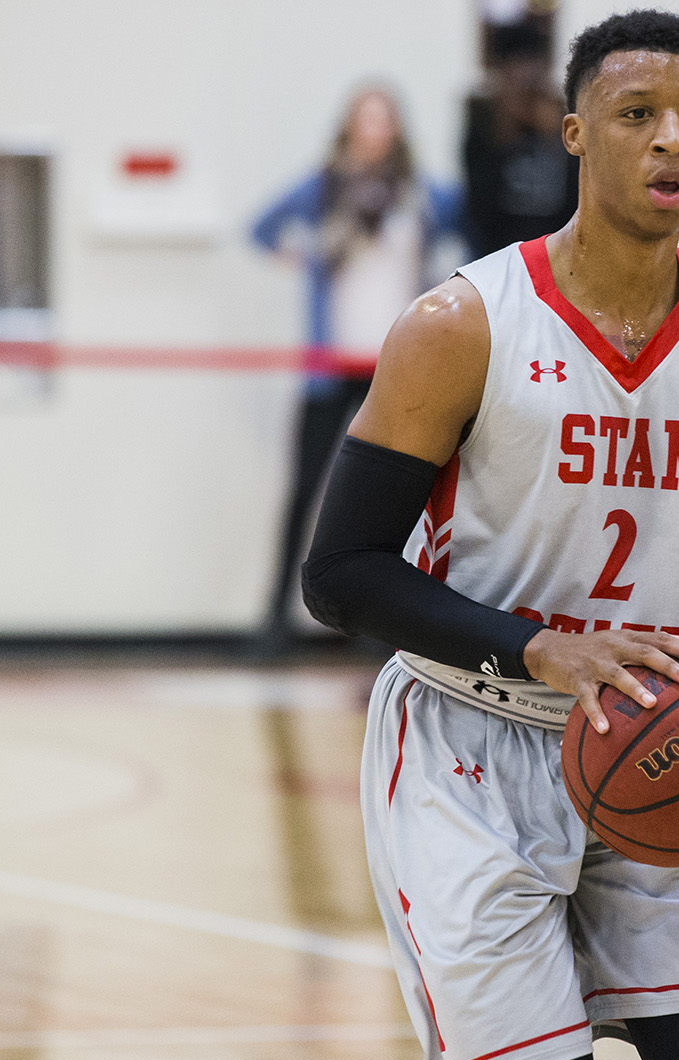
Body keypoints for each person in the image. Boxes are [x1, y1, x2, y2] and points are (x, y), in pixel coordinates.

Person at [301, 11, 679, 1060]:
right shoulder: (460, 327)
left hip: (657, 740)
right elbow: (339, 576)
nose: (674, 139)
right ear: (576, 133)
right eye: (640, 114)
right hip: (470, 751)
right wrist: (539, 647)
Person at [249, 86, 461, 654]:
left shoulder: (421, 194)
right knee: (304, 490)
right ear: (348, 127)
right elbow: (260, 228)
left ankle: (380, 623)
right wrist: (303, 256)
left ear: (396, 128)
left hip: (394, 365)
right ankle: (275, 620)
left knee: (394, 500)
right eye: (364, 120)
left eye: (382, 120)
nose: (373, 131)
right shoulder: (323, 187)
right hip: (330, 365)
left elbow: (469, 228)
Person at [462, 19, 580, 258]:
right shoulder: (484, 120)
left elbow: (579, 194)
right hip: (496, 252)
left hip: (557, 250)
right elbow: (477, 205)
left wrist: (557, 138)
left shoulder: (562, 115)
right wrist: (504, 132)